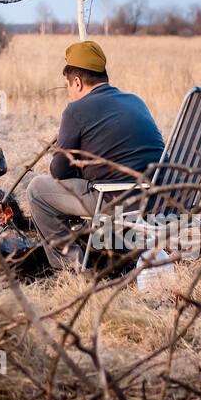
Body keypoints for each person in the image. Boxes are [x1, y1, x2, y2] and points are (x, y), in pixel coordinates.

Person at [27, 41, 164, 269]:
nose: (69, 93)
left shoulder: (76, 109)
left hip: (116, 201)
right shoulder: (135, 100)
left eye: (68, 86)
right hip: (159, 198)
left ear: (77, 82)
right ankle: (113, 250)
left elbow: (59, 171)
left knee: (37, 190)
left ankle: (71, 266)